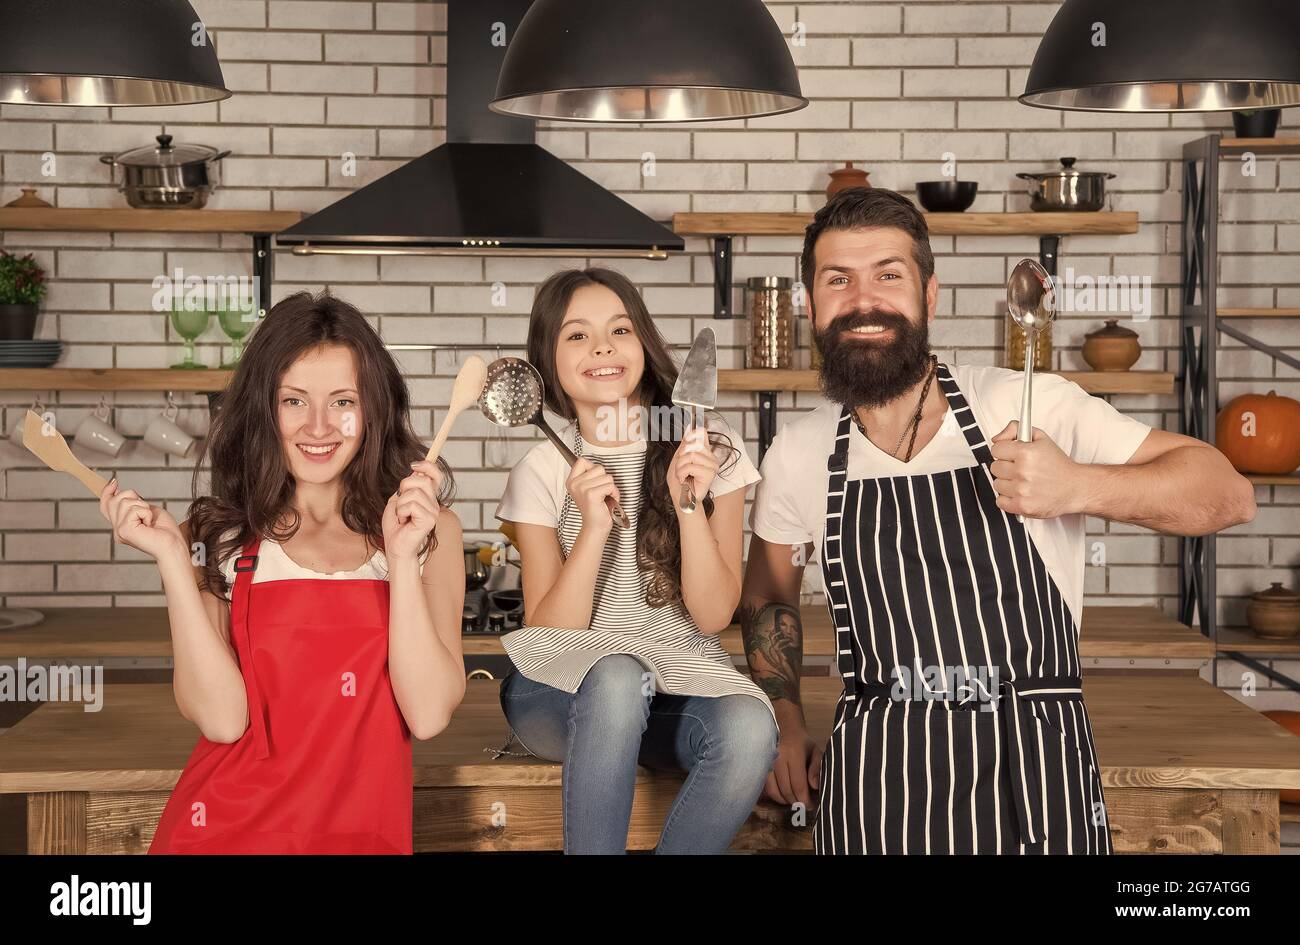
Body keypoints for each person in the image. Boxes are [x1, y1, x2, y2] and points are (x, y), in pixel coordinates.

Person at [740, 187, 1256, 854]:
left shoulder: (1023, 402)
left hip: (1033, 771)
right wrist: (782, 716)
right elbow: (768, 593)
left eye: (888, 275)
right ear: (811, 305)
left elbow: (1226, 492)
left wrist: (1077, 485)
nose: (863, 300)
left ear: (929, 295)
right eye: (838, 279)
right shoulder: (800, 451)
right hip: (878, 780)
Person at [99, 291, 466, 854]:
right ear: (263, 409)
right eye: (293, 401)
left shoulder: (428, 533)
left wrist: (400, 556)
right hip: (225, 833)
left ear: (373, 408)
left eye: (342, 401)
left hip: (361, 839)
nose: (318, 427)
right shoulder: (220, 539)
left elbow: (429, 711)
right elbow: (222, 721)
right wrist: (173, 562)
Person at [495, 267, 778, 854]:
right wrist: (594, 527)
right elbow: (550, 635)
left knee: (751, 728)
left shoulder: (708, 444)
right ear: (549, 363)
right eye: (576, 335)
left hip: (676, 681)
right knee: (621, 675)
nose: (602, 346)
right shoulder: (543, 470)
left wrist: (688, 505)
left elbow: (710, 616)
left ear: (643, 344)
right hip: (559, 692)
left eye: (619, 329)